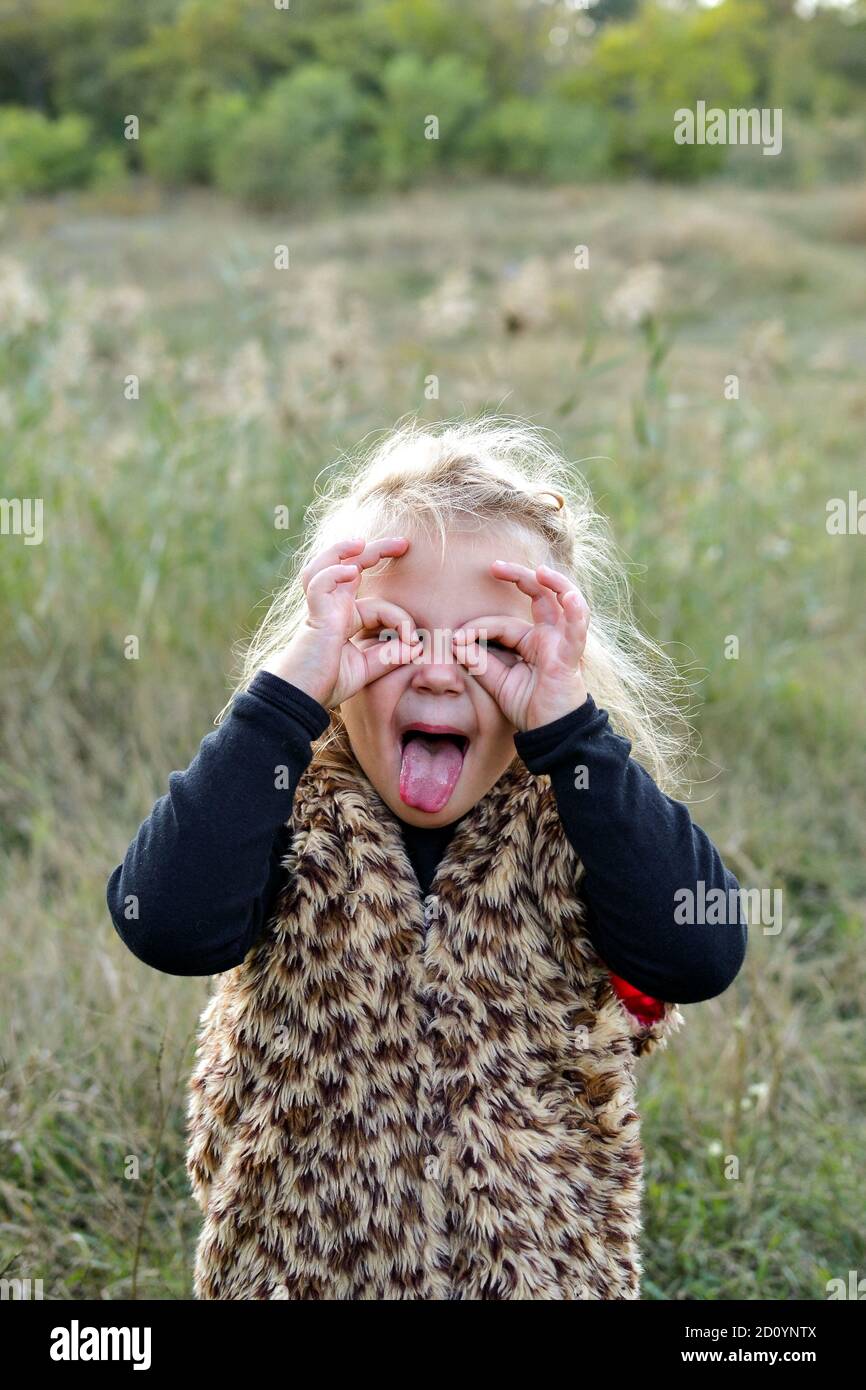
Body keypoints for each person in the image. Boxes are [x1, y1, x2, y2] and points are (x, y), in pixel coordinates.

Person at [107, 414, 747, 1299]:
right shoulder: (285, 800)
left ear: (558, 666)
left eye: (493, 645)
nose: (442, 676)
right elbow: (167, 924)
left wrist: (576, 739)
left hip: (536, 1274)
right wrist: (285, 699)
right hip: (296, 1273)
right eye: (390, 636)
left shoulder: (574, 813)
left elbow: (700, 952)